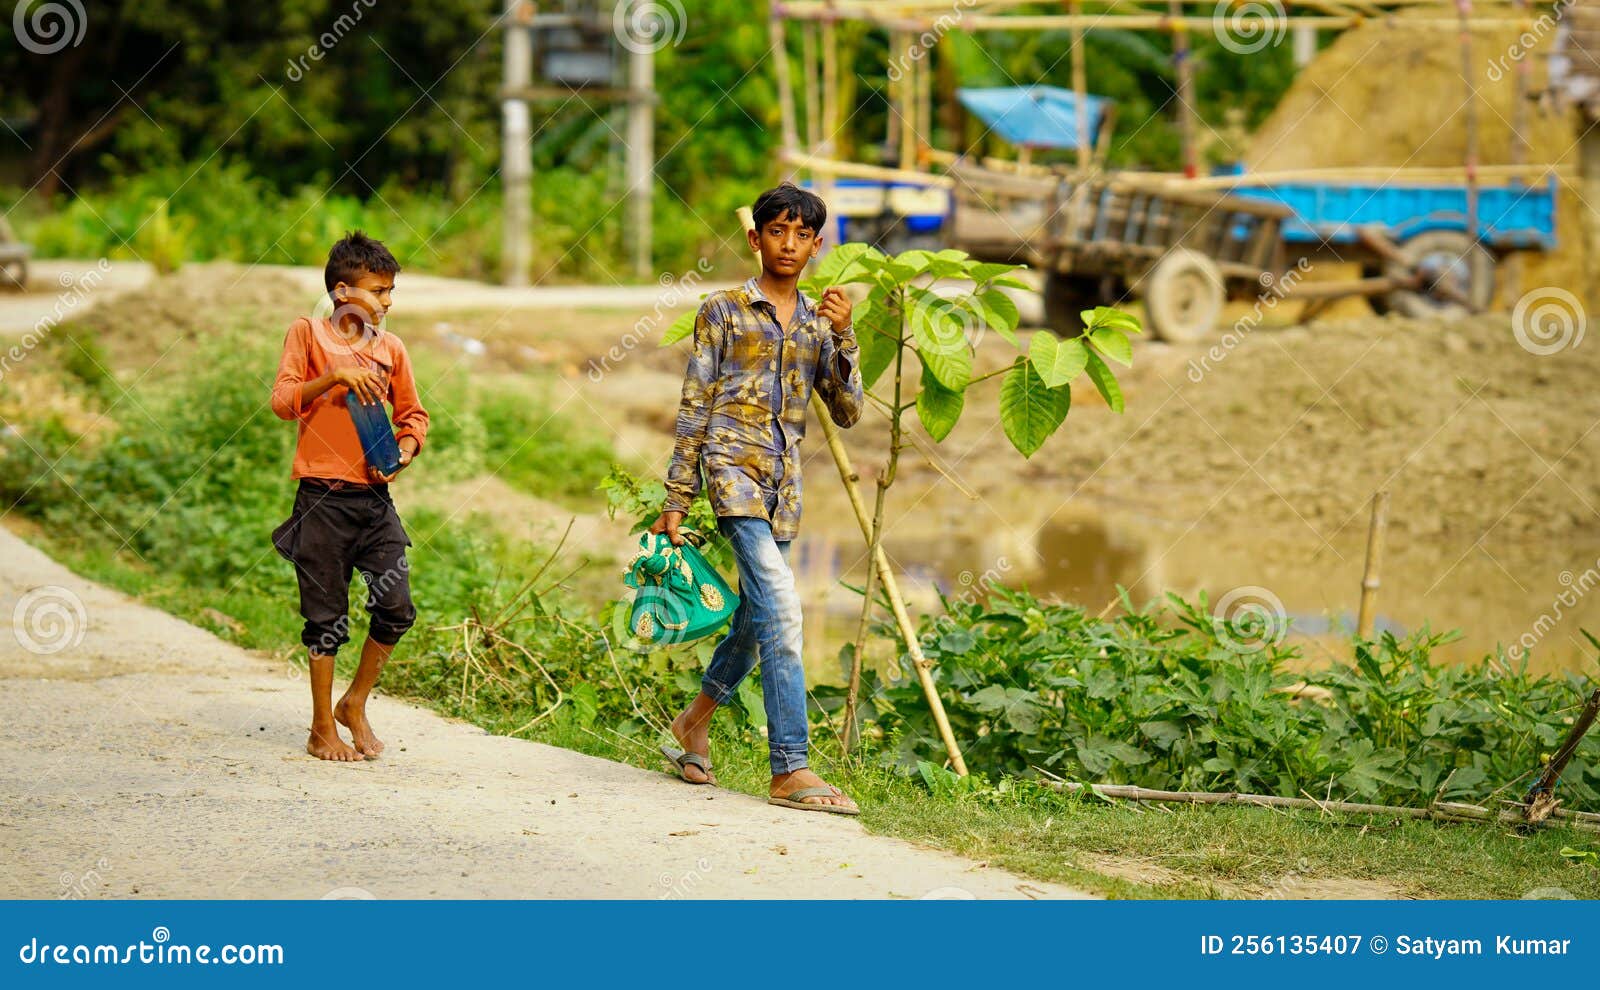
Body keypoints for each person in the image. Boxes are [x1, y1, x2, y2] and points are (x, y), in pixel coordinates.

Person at [649, 183, 864, 814]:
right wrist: (677, 497)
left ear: (817, 246)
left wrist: (845, 338)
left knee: (754, 619)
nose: (789, 244)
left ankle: (693, 722)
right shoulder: (722, 310)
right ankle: (790, 768)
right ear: (755, 238)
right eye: (777, 231)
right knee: (786, 612)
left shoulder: (819, 325)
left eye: (802, 235)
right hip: (729, 474)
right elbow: (694, 404)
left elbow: (847, 412)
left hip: (783, 487)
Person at [269, 231, 429, 762]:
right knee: (326, 617)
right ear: (342, 292)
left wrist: (407, 447)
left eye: (390, 293)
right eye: (378, 291)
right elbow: (284, 401)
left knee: (396, 607)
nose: (387, 302)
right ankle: (320, 728)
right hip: (321, 501)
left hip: (374, 502)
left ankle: (354, 702)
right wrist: (332, 378)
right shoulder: (308, 334)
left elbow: (414, 417)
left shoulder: (391, 349)